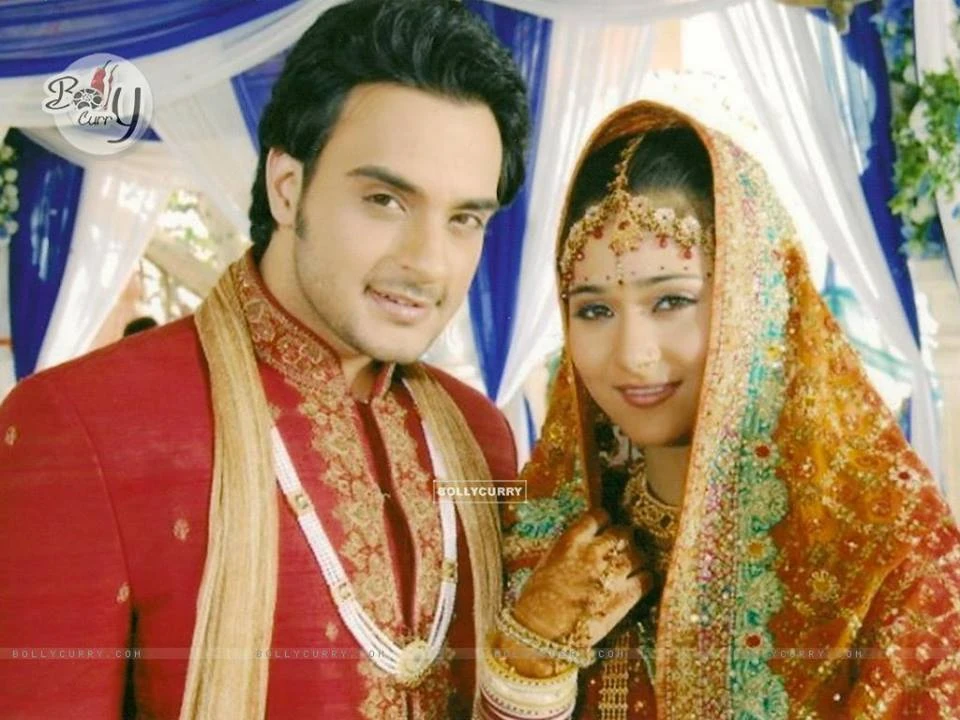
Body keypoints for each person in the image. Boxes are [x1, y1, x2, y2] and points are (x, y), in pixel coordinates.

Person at [0, 1, 529, 717]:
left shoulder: (480, 439)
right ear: (287, 187)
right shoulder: (85, 428)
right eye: (384, 200)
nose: (428, 262)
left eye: (464, 218)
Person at [476, 101, 960, 718]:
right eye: (594, 310)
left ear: (755, 301)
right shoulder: (549, 544)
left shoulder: (885, 558)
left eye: (672, 301)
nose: (633, 355)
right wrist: (530, 651)